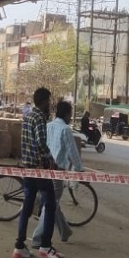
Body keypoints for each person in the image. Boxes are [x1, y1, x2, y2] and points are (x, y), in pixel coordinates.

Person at [13, 87, 63, 258]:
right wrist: (51, 158)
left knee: (27, 207)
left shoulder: (27, 117)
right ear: (43, 102)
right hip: (39, 169)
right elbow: (41, 143)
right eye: (48, 101)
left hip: (27, 167)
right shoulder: (40, 117)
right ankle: (45, 246)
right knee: (50, 204)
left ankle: (19, 246)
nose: (49, 105)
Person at [31, 100, 80, 246]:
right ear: (66, 114)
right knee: (50, 204)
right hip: (58, 171)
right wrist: (79, 168)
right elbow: (73, 152)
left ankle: (64, 230)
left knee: (52, 203)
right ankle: (38, 238)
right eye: (70, 114)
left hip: (45, 168)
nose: (70, 117)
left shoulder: (48, 126)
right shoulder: (65, 129)